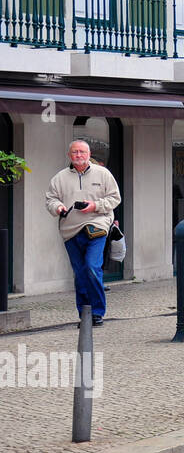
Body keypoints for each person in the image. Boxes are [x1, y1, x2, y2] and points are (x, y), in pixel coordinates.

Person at [46, 139, 121, 327]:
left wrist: (95, 206)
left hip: (97, 226)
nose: (78, 155)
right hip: (70, 230)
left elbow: (115, 198)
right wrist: (58, 208)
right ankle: (85, 313)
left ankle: (97, 312)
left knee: (91, 267)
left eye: (82, 152)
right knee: (80, 274)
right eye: (75, 152)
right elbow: (50, 200)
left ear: (89, 154)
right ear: (69, 155)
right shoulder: (59, 178)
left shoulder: (103, 174)